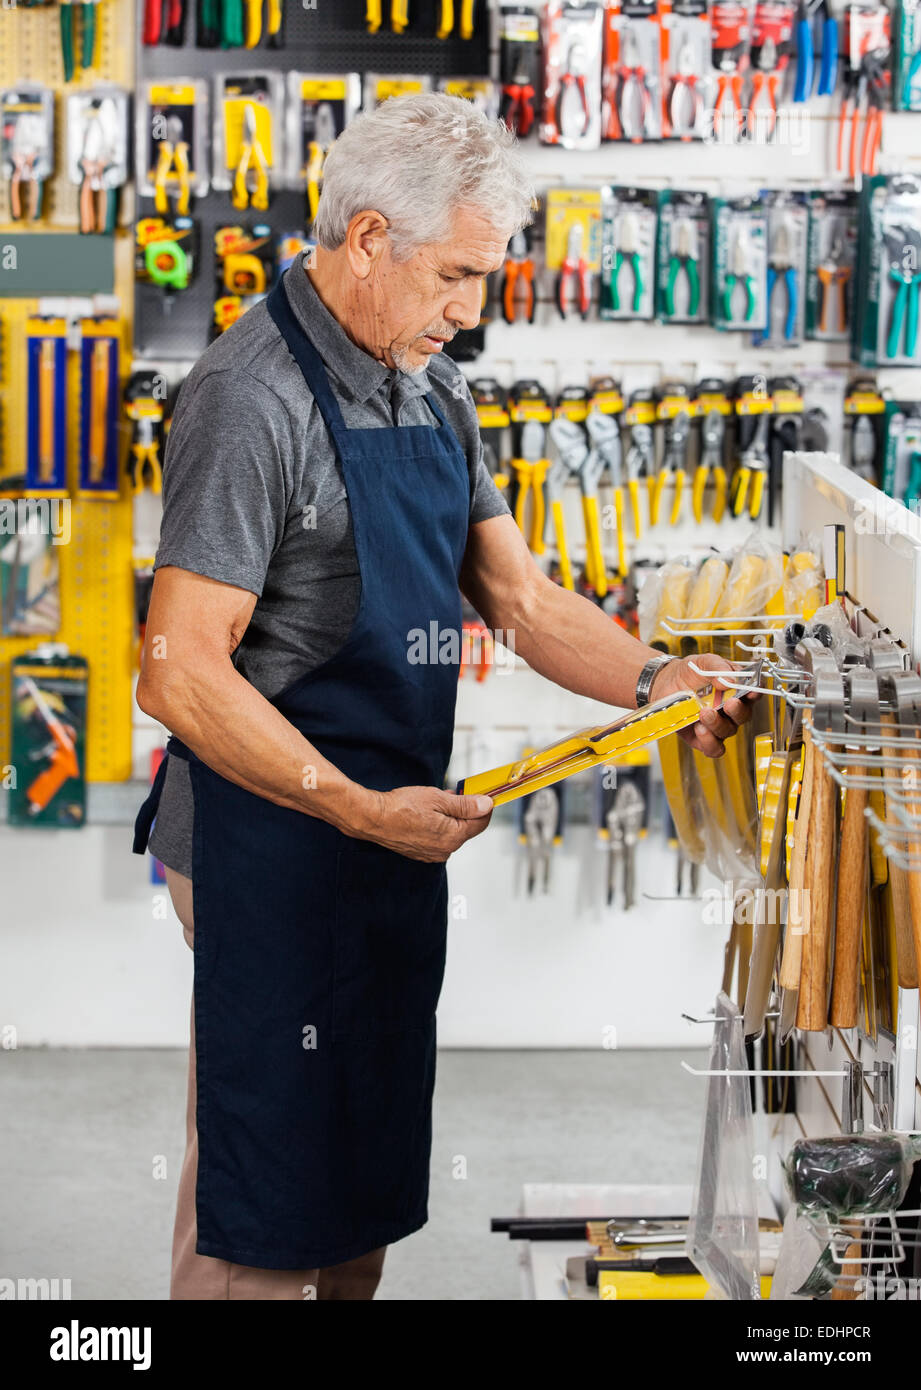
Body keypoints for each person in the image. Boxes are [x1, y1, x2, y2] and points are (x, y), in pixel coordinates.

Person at [133, 93, 754, 1301]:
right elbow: (177, 669)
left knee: (362, 1161)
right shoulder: (248, 398)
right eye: (458, 274)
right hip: (274, 842)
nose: (472, 310)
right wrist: (354, 811)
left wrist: (656, 677)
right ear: (368, 239)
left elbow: (518, 597)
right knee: (264, 1188)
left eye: (489, 274)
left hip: (388, 835)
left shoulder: (430, 388)